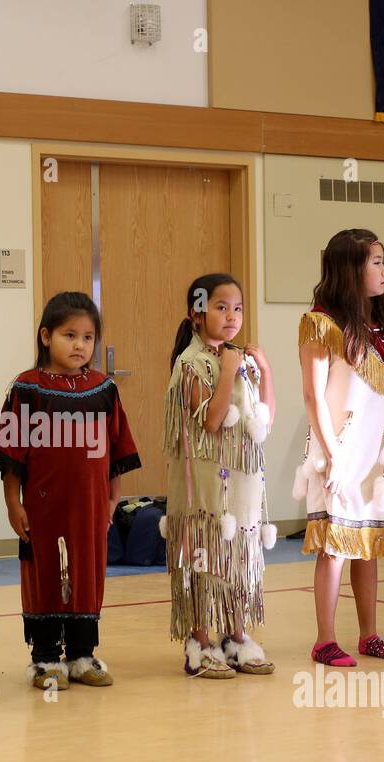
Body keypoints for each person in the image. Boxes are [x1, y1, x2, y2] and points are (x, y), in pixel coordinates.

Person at [0, 291, 140, 690]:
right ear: (45, 336)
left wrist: (112, 499)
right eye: (69, 335)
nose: (79, 345)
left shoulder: (103, 389)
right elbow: (12, 457)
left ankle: (82, 654)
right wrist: (12, 503)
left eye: (88, 337)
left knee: (87, 575)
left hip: (90, 507)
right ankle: (44, 659)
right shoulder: (27, 388)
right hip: (41, 507)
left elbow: (116, 452)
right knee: (44, 575)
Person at [297, 229, 384, 666]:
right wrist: (331, 454)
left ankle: (369, 633)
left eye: (383, 261)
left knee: (367, 544)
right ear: (351, 269)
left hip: (379, 452)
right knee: (337, 545)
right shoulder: (321, 323)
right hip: (340, 448)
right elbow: (313, 397)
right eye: (375, 262)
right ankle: (325, 639)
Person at [163, 274, 277, 679]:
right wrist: (229, 367)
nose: (232, 316)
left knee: (239, 559)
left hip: (242, 484)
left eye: (238, 308)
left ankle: (237, 636)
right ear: (197, 313)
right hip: (205, 487)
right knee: (205, 558)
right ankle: (200, 640)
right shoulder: (190, 364)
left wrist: (264, 370)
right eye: (221, 307)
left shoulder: (242, 361)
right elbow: (211, 420)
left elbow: (264, 422)